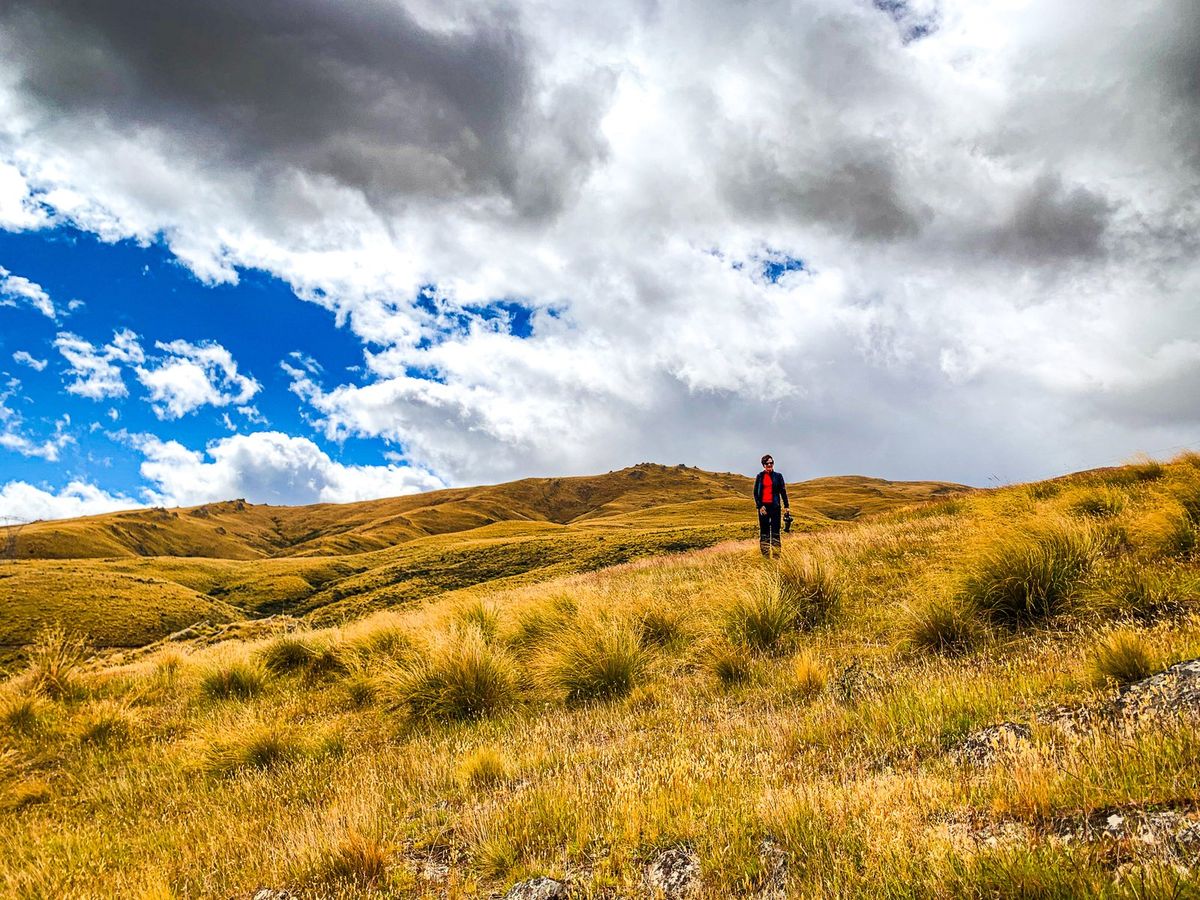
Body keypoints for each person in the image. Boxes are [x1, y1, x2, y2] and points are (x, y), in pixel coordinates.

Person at [753, 453, 790, 558]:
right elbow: (755, 493)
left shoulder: (778, 476)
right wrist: (760, 506)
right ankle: (766, 557)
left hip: (775, 507)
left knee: (775, 532)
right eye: (767, 463)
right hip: (763, 508)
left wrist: (786, 506)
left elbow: (783, 491)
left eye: (771, 463)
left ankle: (776, 556)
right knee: (764, 533)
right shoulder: (760, 476)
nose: (770, 465)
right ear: (763, 465)